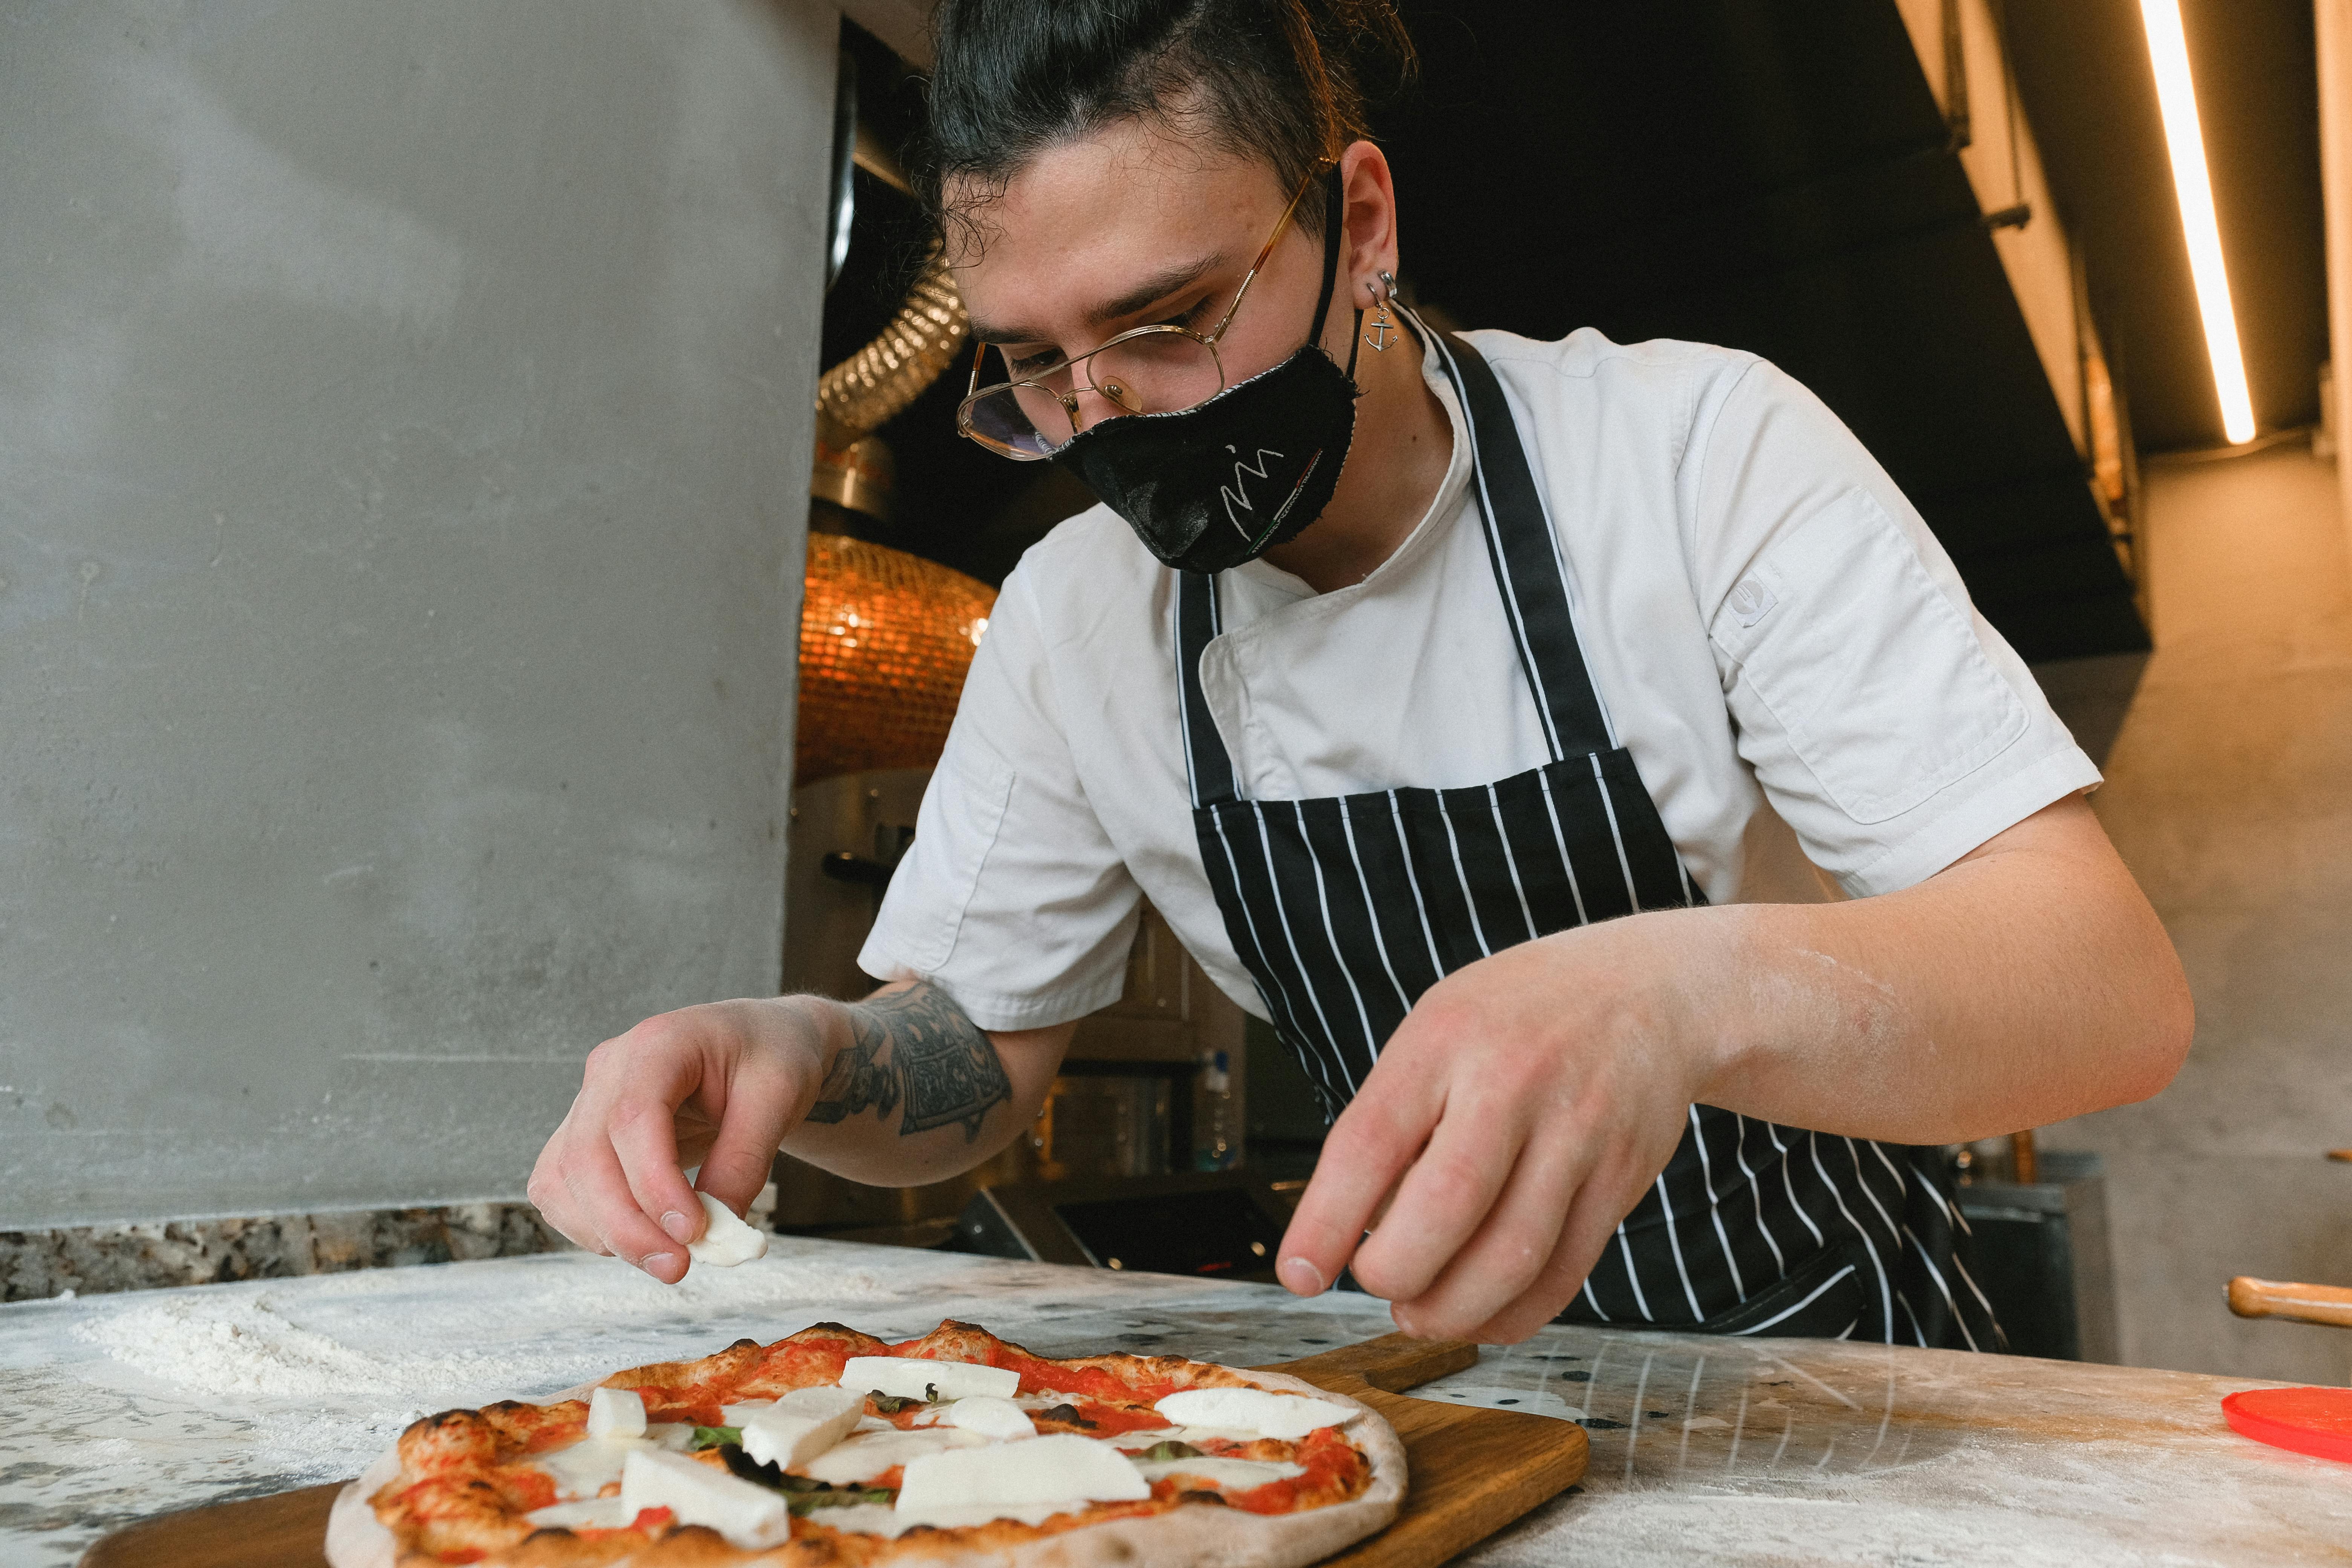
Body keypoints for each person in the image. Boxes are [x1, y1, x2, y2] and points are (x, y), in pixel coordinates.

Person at [530, 0, 2190, 1346]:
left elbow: (2105, 984)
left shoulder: (1690, 456)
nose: (1109, 418)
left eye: (1173, 315)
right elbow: (975, 1058)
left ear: (1361, 220)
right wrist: (802, 1050)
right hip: (1451, 1402)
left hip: (1828, 1383)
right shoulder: (1073, 616)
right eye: (1039, 367)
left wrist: (1672, 994)